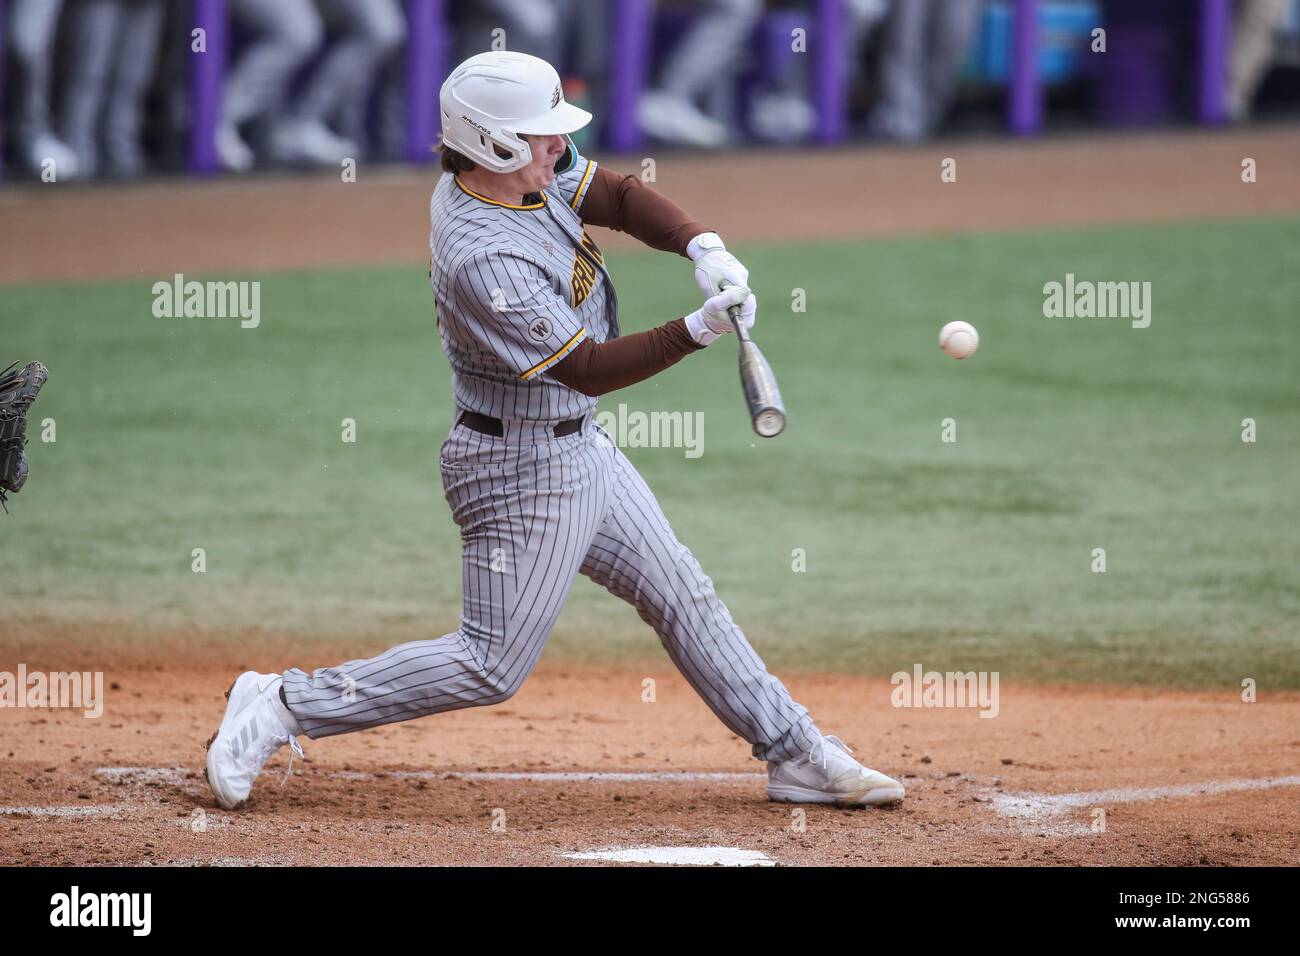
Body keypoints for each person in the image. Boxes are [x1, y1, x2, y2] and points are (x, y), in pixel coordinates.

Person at [204, 51, 905, 812]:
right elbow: (590, 369)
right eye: (540, 134)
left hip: (579, 448)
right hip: (516, 469)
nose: (557, 146)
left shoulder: (517, 175)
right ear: (495, 144)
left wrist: (700, 245)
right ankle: (280, 703)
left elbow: (615, 191)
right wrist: (699, 329)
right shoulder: (484, 254)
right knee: (488, 665)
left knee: (683, 595)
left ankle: (797, 753)